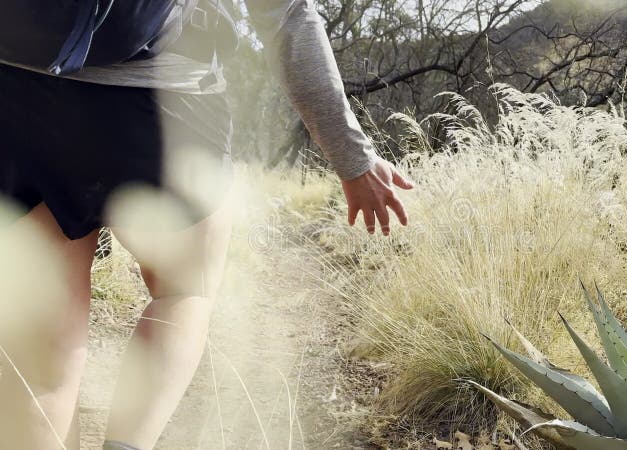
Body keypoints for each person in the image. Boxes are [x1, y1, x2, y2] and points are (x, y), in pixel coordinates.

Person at [0, 0, 414, 448]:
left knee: (40, 351)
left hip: (21, 100)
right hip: (164, 102)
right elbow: (287, 16)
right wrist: (351, 157)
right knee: (184, 289)